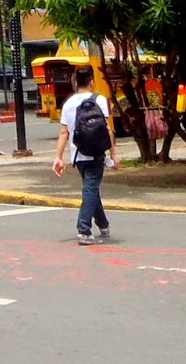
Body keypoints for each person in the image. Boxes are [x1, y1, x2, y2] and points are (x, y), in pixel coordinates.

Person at [54, 65, 117, 246]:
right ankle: (83, 229)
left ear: (76, 83)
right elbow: (107, 129)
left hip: (78, 155)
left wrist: (58, 157)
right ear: (91, 82)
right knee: (90, 188)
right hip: (97, 152)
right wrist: (113, 154)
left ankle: (103, 225)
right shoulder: (99, 100)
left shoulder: (68, 104)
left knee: (91, 188)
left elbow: (64, 133)